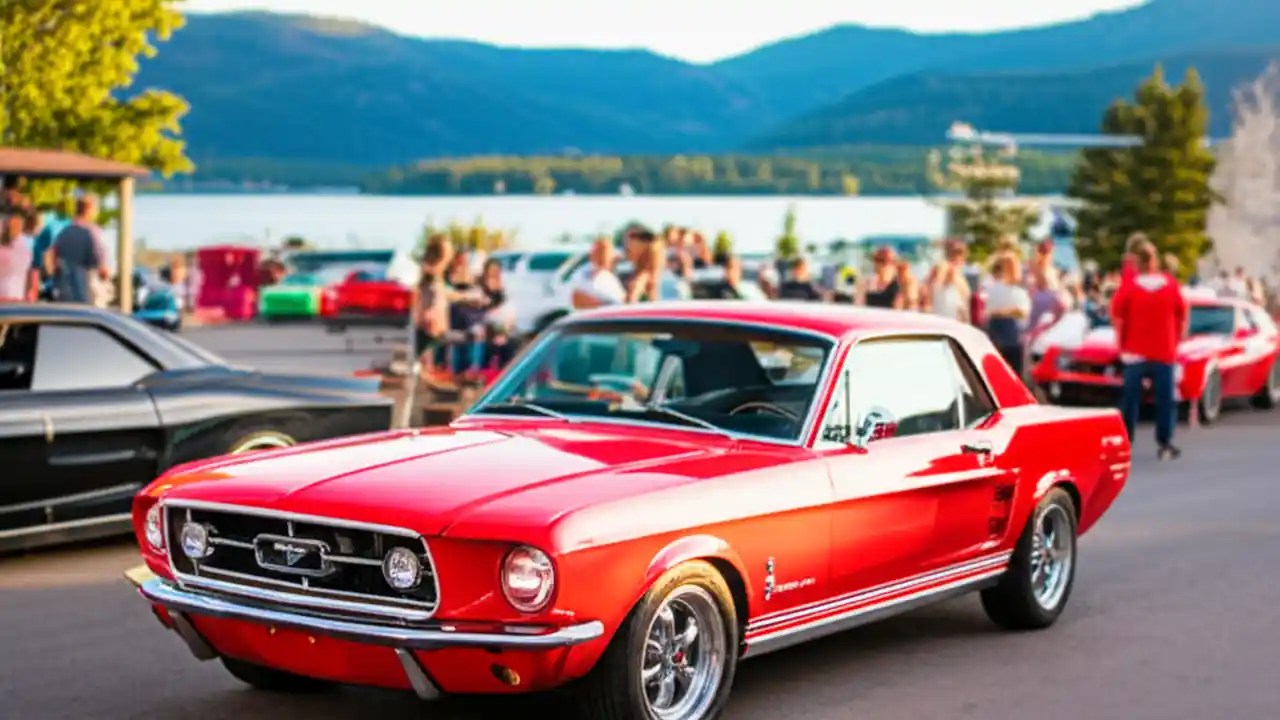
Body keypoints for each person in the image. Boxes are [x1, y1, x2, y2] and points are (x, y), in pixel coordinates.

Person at [1111, 238, 1188, 460]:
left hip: (1135, 351)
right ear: (1155, 261)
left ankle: (1126, 442)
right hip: (1164, 350)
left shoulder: (1129, 286)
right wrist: (1176, 340)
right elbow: (1182, 313)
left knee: (1130, 400)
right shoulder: (1170, 284)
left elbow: (1117, 314)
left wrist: (1121, 343)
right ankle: (1165, 441)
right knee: (1165, 400)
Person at [51, 195, 109, 304]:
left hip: (65, 289)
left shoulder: (64, 233)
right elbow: (101, 266)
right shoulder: (92, 232)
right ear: (89, 210)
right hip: (88, 289)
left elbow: (54, 260)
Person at [984, 253, 1032, 378]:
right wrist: (1011, 311)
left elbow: (1023, 311)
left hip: (1015, 338)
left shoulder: (1020, 289)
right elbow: (990, 311)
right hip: (1002, 336)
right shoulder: (995, 289)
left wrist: (1004, 312)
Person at [413, 234, 453, 374]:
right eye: (447, 248)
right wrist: (427, 312)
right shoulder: (430, 270)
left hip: (436, 328)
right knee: (425, 359)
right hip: (429, 326)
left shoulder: (440, 272)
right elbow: (426, 294)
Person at [572, 236, 625, 309]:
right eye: (600, 252)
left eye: (607, 253)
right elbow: (577, 298)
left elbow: (623, 303)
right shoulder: (583, 274)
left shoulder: (609, 278)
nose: (603, 257)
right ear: (592, 255)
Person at [925, 239, 970, 321]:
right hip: (945, 317)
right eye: (954, 253)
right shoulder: (943, 268)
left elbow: (962, 302)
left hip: (953, 317)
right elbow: (932, 288)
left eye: (960, 253)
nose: (957, 257)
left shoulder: (958, 274)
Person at [0, 213, 38, 302]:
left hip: (17, 296)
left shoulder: (25, 245)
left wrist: (32, 291)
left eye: (18, 226)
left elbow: (32, 270)